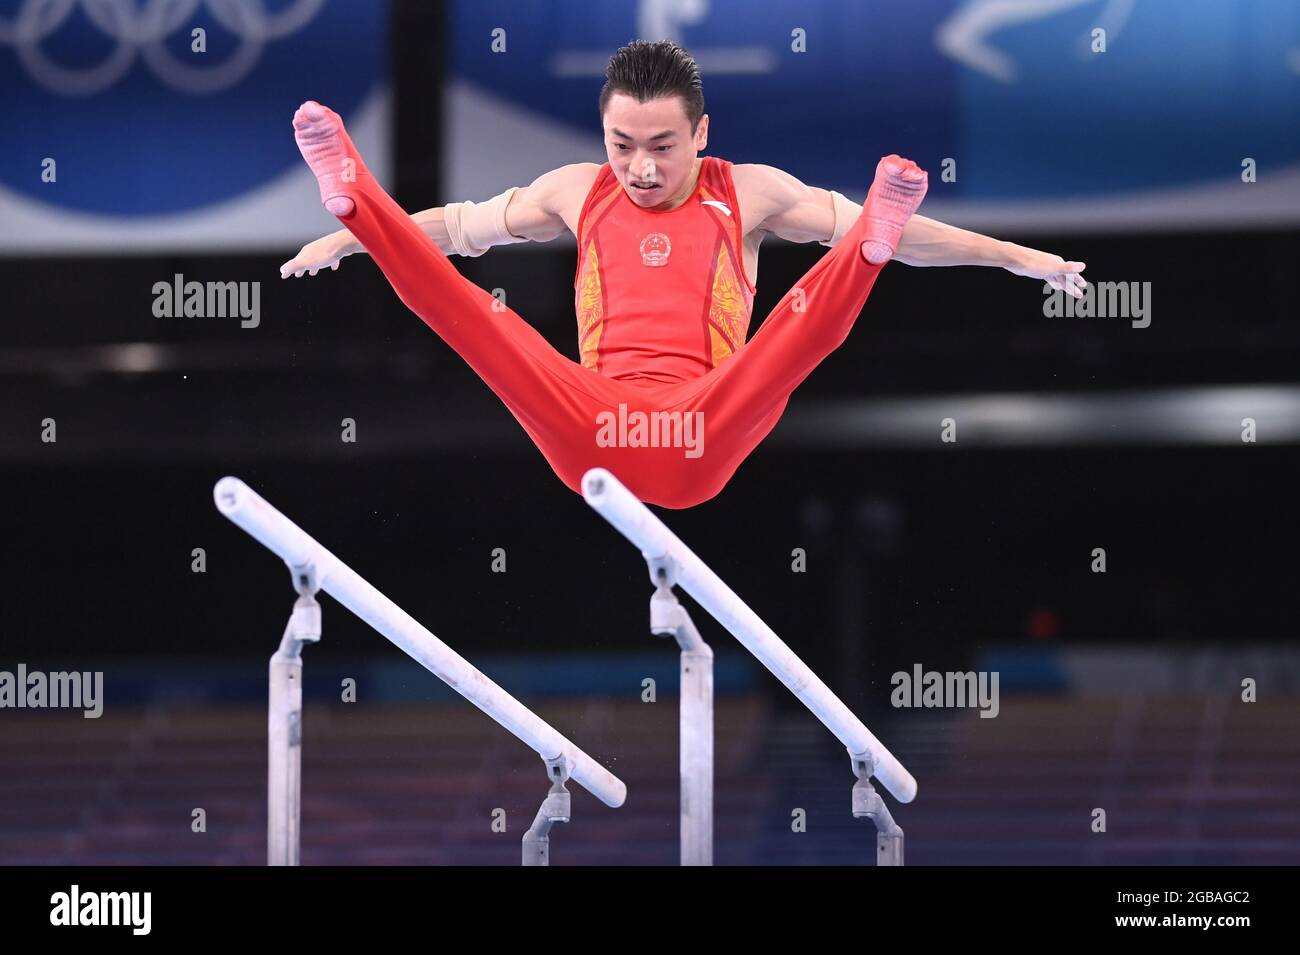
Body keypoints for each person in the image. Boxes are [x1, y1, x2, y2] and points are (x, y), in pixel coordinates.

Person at [283, 40, 1085, 508]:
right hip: (595, 427)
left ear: (702, 131)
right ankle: (357, 200)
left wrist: (1016, 256)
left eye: (661, 146)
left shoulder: (753, 193)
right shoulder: (575, 190)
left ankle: (861, 251)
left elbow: (921, 240)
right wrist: (347, 241)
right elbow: (454, 230)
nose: (637, 167)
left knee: (791, 338)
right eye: (620, 143)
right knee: (473, 318)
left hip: (702, 428)